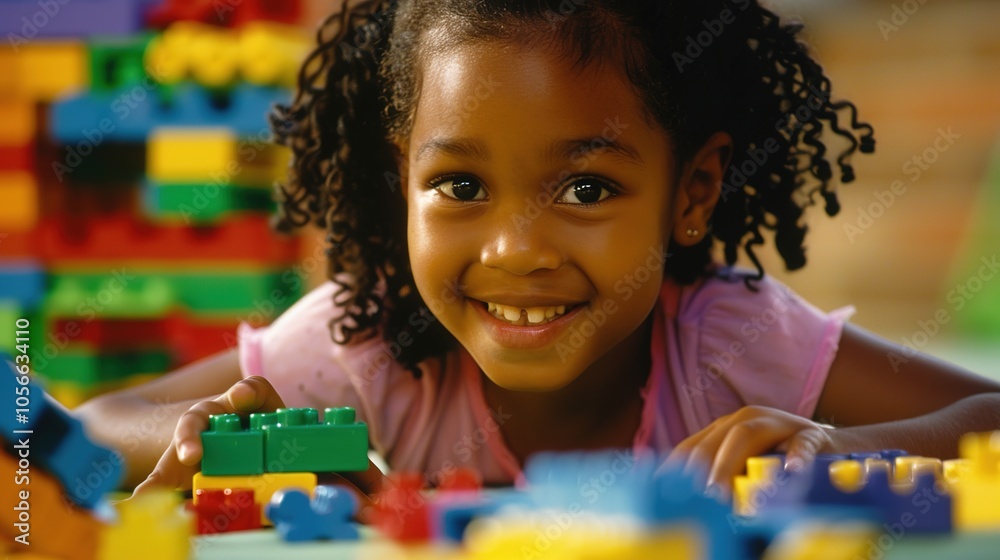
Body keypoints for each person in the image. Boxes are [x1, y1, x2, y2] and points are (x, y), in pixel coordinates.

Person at [77, 0, 1000, 500]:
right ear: (402, 181)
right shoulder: (369, 350)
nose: (516, 250)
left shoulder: (732, 343)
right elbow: (95, 421)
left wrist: (848, 452)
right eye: (461, 187)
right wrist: (219, 434)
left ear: (694, 194)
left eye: (587, 189)